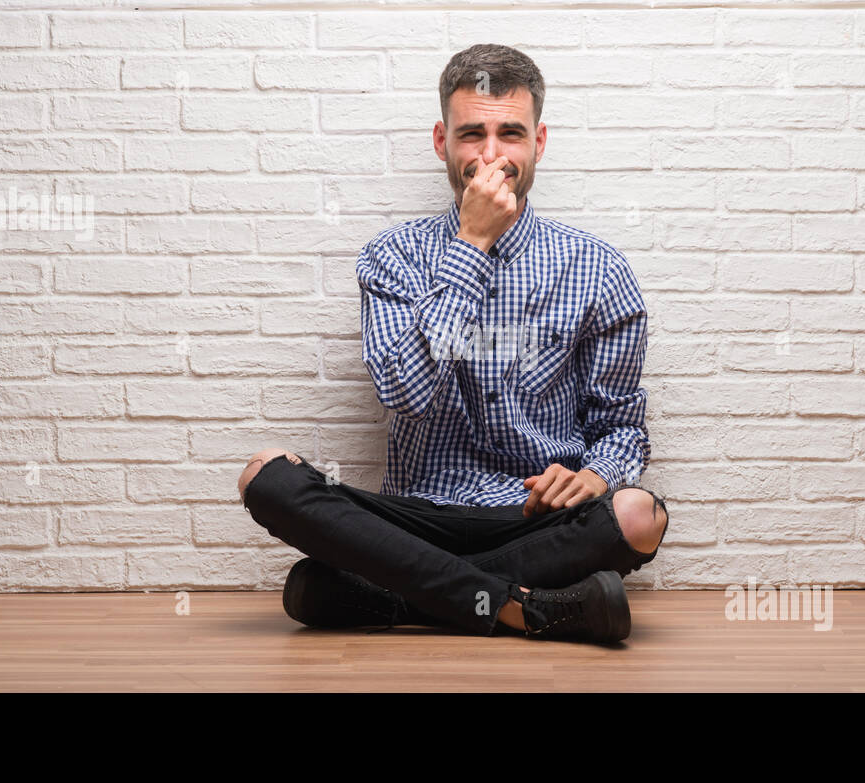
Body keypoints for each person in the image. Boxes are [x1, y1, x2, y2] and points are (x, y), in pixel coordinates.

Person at [238, 44, 668, 644]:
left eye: (510, 134)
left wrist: (597, 474)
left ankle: (393, 596)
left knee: (639, 516)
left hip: (531, 522)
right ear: (442, 140)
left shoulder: (598, 268)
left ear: (538, 142)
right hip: (412, 520)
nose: (491, 154)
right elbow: (405, 393)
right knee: (266, 477)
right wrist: (471, 246)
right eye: (473, 134)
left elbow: (622, 426)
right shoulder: (394, 255)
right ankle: (526, 608)